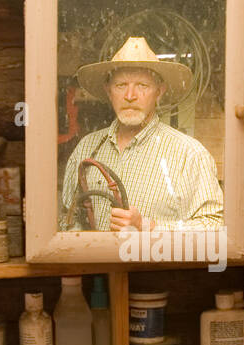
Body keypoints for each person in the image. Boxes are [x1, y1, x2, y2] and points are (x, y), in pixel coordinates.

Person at [58, 36, 224, 231]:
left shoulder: (189, 154)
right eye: (121, 86)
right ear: (109, 91)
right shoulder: (87, 147)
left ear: (159, 92)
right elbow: (67, 217)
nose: (130, 96)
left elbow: (213, 226)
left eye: (142, 86)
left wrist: (147, 227)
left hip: (154, 262)